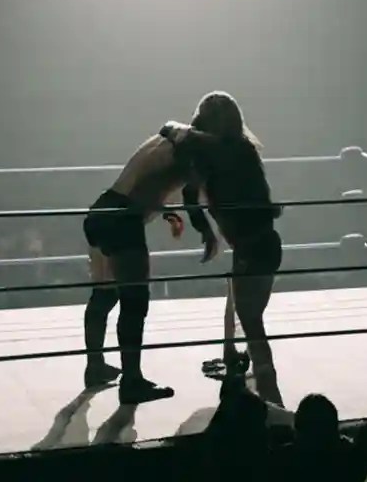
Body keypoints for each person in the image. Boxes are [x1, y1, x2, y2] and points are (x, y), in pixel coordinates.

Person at [81, 112, 217, 402]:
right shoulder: (191, 148)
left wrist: (167, 212)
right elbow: (166, 194)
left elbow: (144, 186)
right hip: (123, 219)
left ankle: (94, 367)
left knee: (104, 296)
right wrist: (205, 229)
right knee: (134, 301)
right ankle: (131, 382)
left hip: (102, 210)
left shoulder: (169, 136)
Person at [169, 91, 286, 406]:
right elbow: (190, 195)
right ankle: (232, 359)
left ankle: (272, 400)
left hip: (257, 246)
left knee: (251, 322)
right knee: (237, 302)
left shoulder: (234, 150)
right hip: (256, 245)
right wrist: (206, 230)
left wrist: (182, 132)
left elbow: (178, 136)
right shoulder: (218, 154)